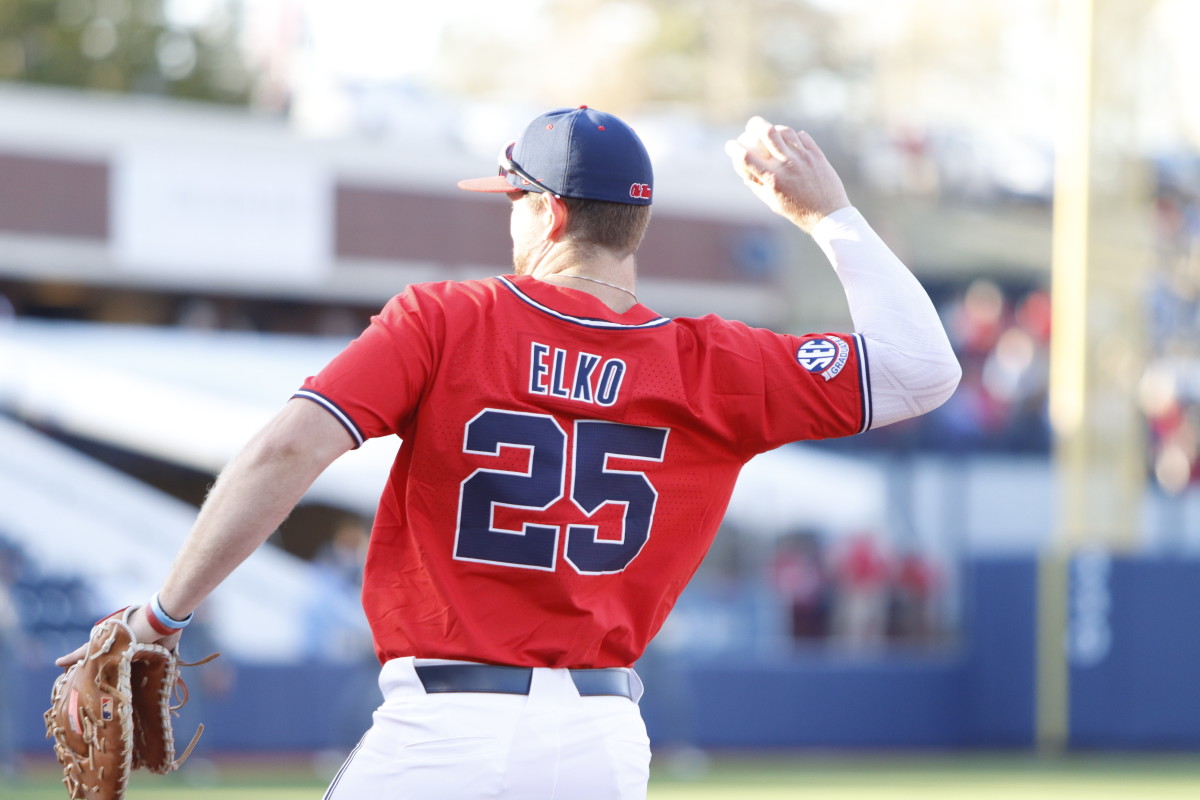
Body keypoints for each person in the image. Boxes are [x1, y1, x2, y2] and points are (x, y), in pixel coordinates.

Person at [57, 106, 961, 799]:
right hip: (602, 745)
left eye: (517, 200)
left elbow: (285, 449)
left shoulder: (446, 321)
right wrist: (831, 215)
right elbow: (923, 370)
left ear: (553, 214)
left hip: (446, 727)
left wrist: (162, 617)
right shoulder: (712, 360)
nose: (511, 221)